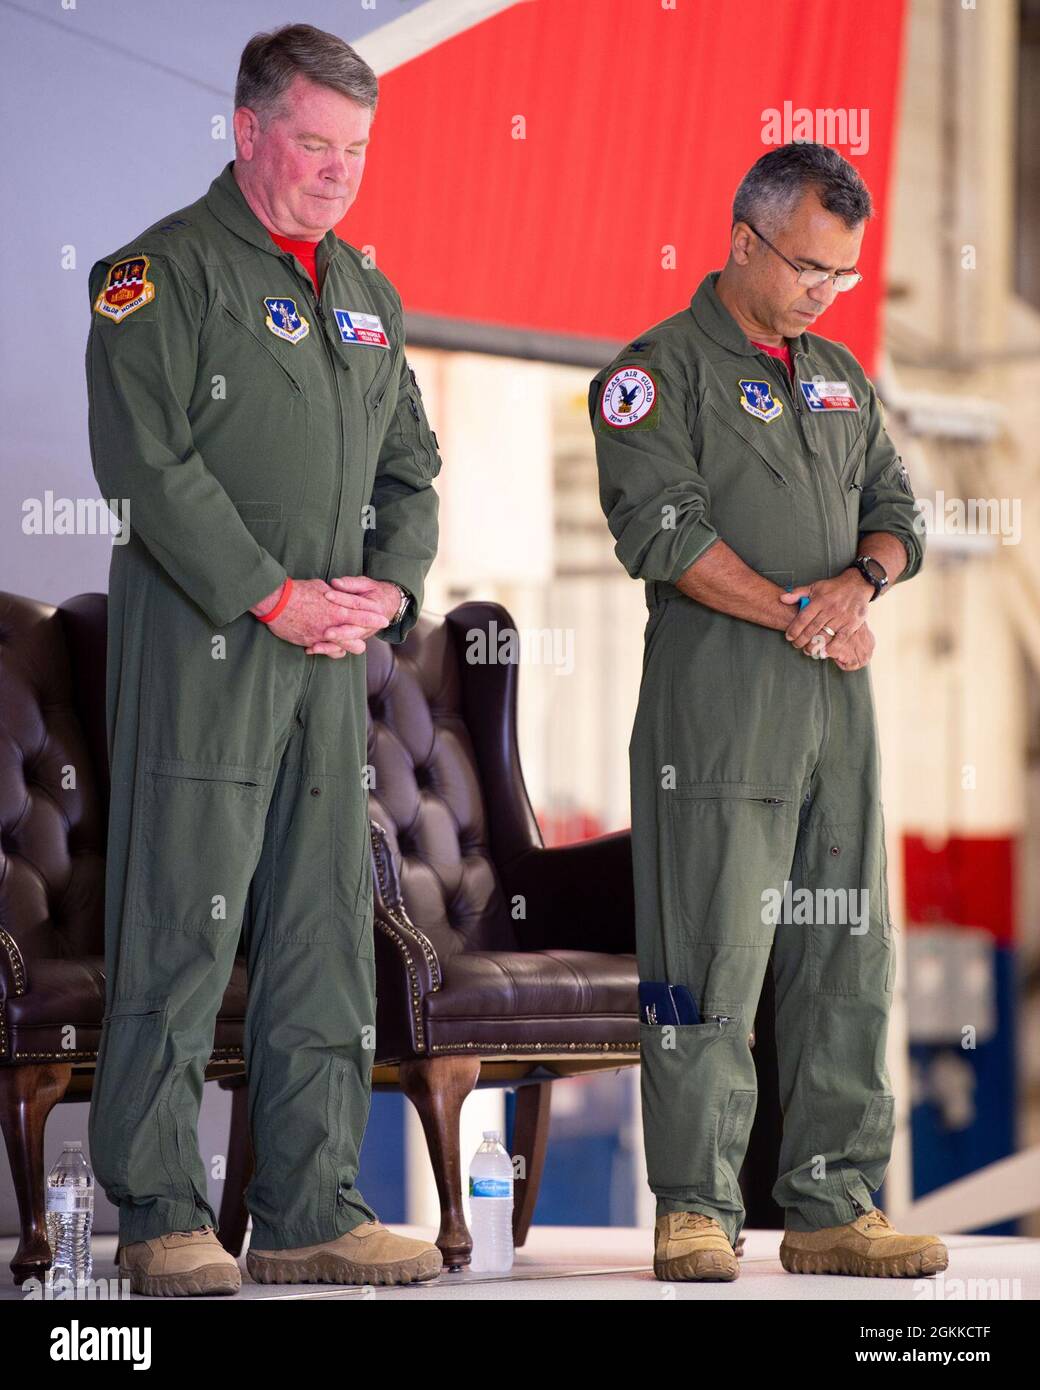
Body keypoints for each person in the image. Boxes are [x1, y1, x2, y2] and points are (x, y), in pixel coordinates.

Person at [86, 23, 443, 1296]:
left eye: (355, 150)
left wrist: (390, 587)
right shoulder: (155, 275)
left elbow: (411, 471)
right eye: (313, 142)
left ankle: (307, 1209)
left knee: (319, 931)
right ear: (247, 131)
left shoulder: (367, 293)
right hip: (204, 643)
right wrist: (269, 592)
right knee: (182, 922)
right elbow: (143, 465)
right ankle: (158, 1209)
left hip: (330, 662)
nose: (338, 172)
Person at [589, 142, 948, 1281]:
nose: (820, 293)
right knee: (707, 955)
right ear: (743, 240)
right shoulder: (651, 373)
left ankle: (832, 1201)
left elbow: (898, 512)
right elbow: (665, 531)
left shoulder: (840, 373)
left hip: (837, 713)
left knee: (847, 951)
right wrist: (802, 609)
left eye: (839, 274)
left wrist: (863, 583)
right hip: (717, 713)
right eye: (804, 268)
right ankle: (693, 1206)